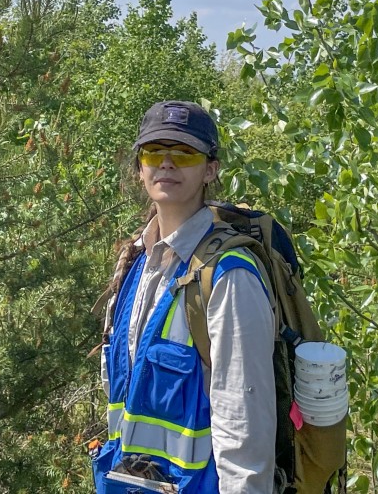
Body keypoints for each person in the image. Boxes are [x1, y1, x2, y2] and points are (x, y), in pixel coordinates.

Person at [93, 101, 276, 493]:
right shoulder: (135, 265)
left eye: (184, 153)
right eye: (154, 152)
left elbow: (244, 427)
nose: (167, 163)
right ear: (139, 167)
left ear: (210, 169)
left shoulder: (229, 276)